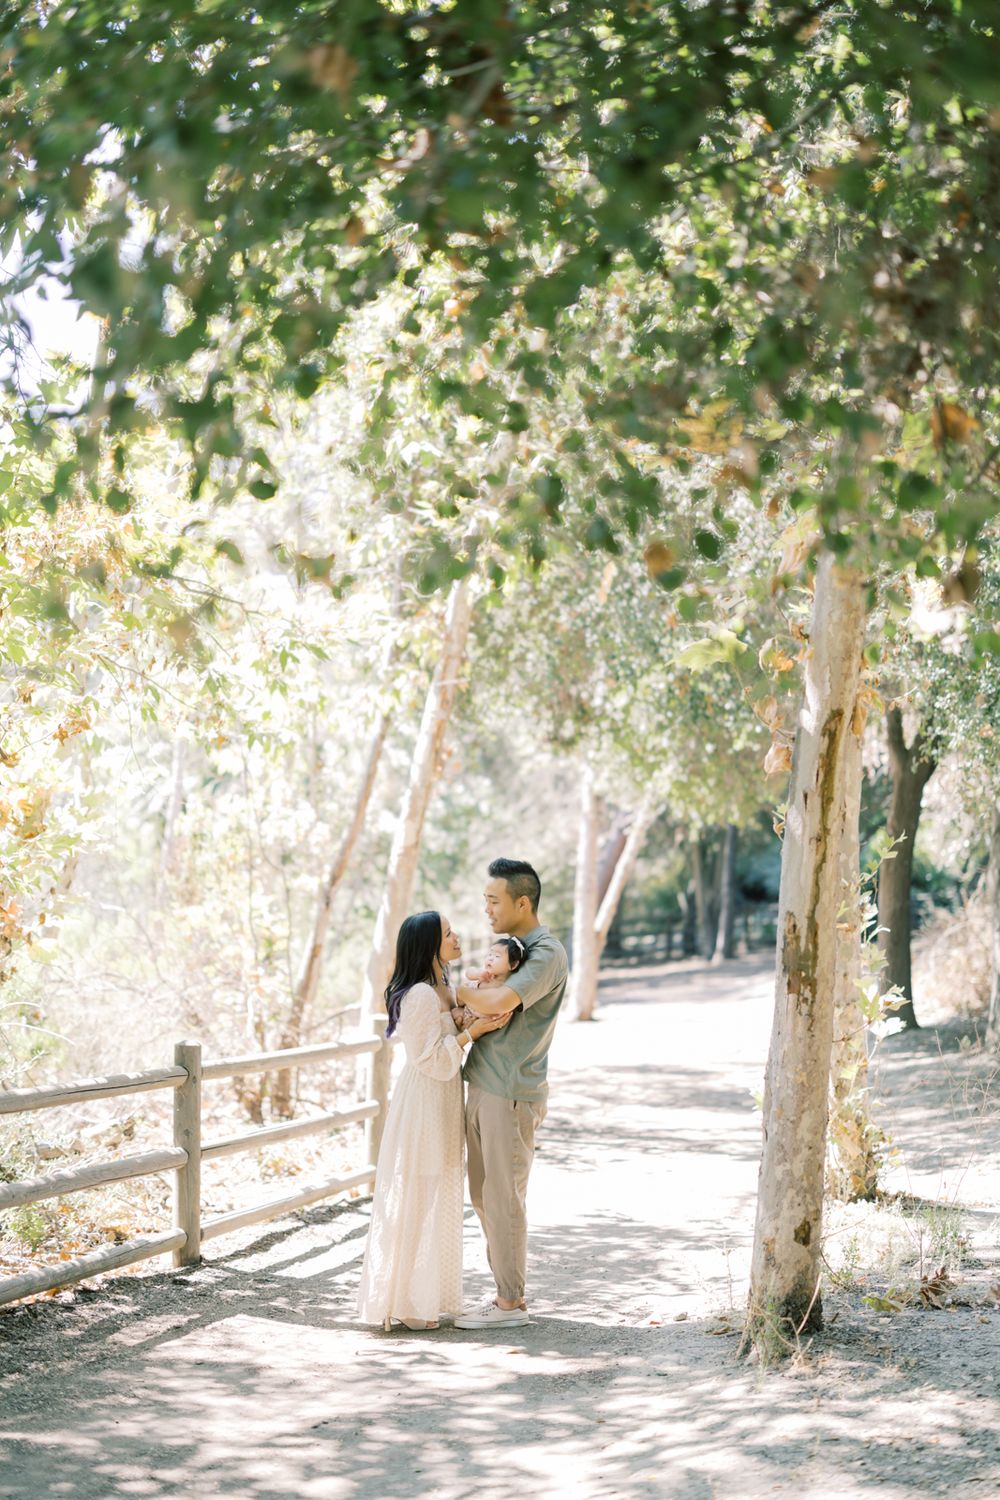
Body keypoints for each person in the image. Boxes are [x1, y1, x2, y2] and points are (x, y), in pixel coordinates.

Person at [356, 910, 511, 1331]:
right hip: (425, 1098)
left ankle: (420, 1295)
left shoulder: (441, 986)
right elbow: (429, 1059)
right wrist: (470, 1035)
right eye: (448, 933)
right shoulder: (420, 995)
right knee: (417, 1197)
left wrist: (465, 1019)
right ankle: (402, 1301)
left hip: (442, 1096)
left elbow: (442, 1037)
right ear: (429, 944)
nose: (457, 937)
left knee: (433, 1196)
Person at [450, 858, 568, 1329]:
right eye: (484, 901)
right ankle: (504, 1294)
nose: (487, 910)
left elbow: (498, 1001)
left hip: (512, 1091)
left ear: (523, 902)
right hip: (483, 1081)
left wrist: (458, 991)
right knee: (483, 1195)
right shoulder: (512, 947)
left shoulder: (546, 952)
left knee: (503, 1196)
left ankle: (510, 1305)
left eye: (494, 901)